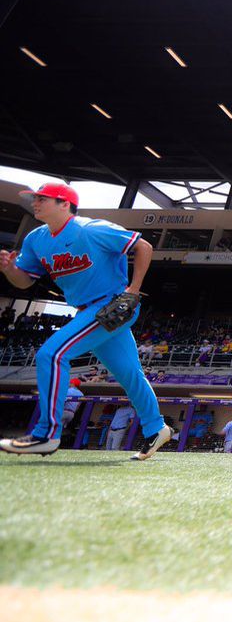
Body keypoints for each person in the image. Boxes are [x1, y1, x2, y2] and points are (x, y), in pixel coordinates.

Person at [0, 183, 171, 460]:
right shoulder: (35, 238)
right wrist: (10, 270)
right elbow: (24, 281)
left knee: (52, 355)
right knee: (129, 373)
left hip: (113, 304)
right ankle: (156, 427)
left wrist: (134, 290)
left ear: (64, 204)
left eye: (42, 198)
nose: (35, 202)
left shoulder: (91, 228)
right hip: (87, 311)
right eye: (35, 198)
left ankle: (46, 434)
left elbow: (144, 246)